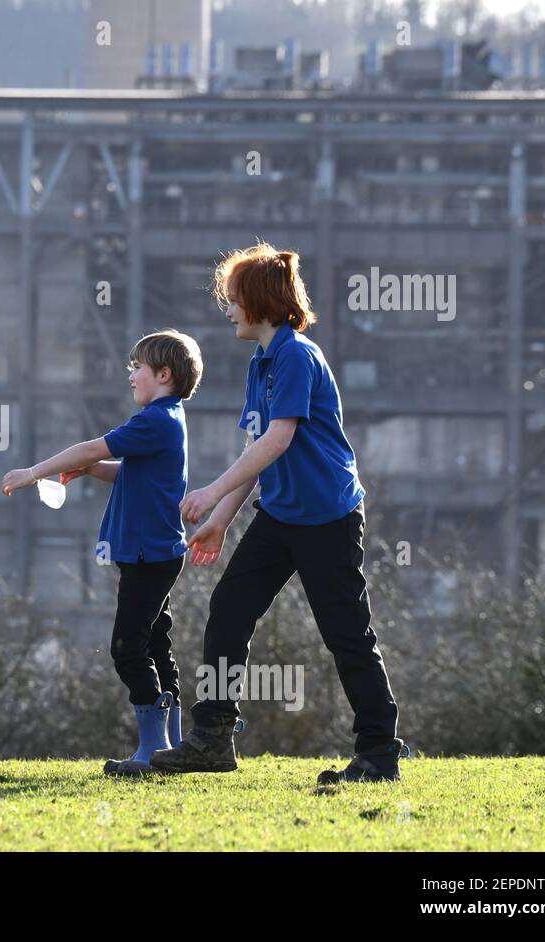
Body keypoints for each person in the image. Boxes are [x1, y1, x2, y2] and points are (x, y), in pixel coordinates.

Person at [145, 243, 405, 784]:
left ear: (259, 301)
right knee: (229, 607)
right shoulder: (260, 363)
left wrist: (212, 491)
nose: (230, 308)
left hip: (328, 516)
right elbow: (256, 449)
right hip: (282, 513)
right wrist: (221, 517)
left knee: (347, 633)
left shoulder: (296, 356)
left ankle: (379, 753)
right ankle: (212, 738)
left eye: (235, 298)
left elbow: (280, 438)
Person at [2, 330, 203, 774]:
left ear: (164, 375)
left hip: (151, 554)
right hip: (154, 552)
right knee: (155, 643)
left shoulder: (155, 419)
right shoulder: (169, 418)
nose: (130, 375)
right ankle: (170, 747)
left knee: (127, 648)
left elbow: (94, 444)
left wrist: (35, 472)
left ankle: (153, 750)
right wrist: (90, 470)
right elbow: (129, 471)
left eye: (138, 368)